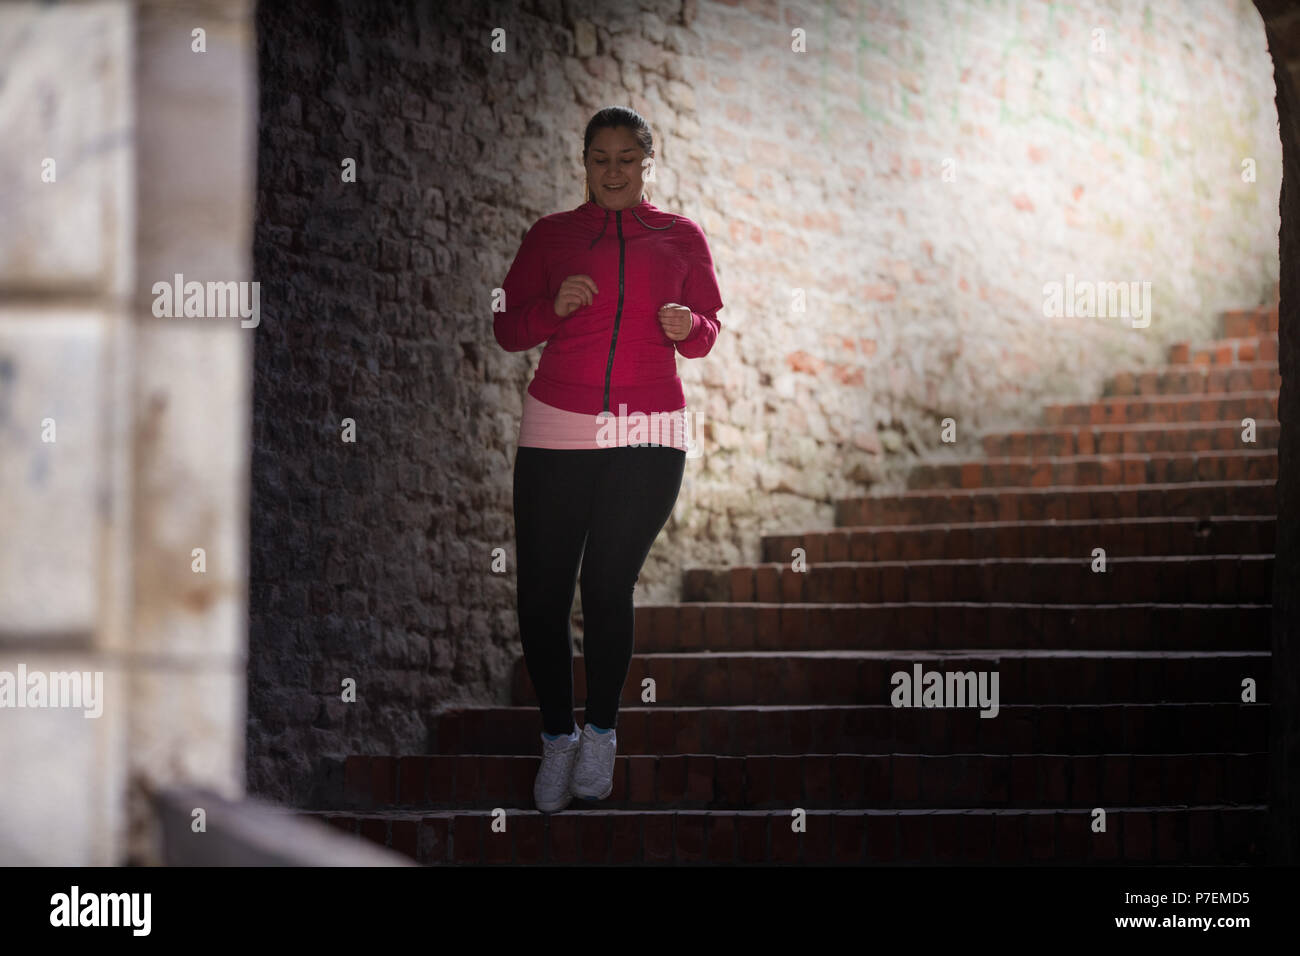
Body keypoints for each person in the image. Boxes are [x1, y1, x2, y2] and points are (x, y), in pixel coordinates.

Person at [493, 106, 725, 812]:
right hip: (557, 423)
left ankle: (601, 731)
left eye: (628, 159)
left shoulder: (681, 237)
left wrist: (690, 328)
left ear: (648, 165)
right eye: (601, 158)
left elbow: (708, 327)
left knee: (605, 585)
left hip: (648, 427)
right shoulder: (551, 236)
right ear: (585, 163)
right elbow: (507, 326)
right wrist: (550, 310)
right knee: (541, 594)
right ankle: (557, 738)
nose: (614, 171)